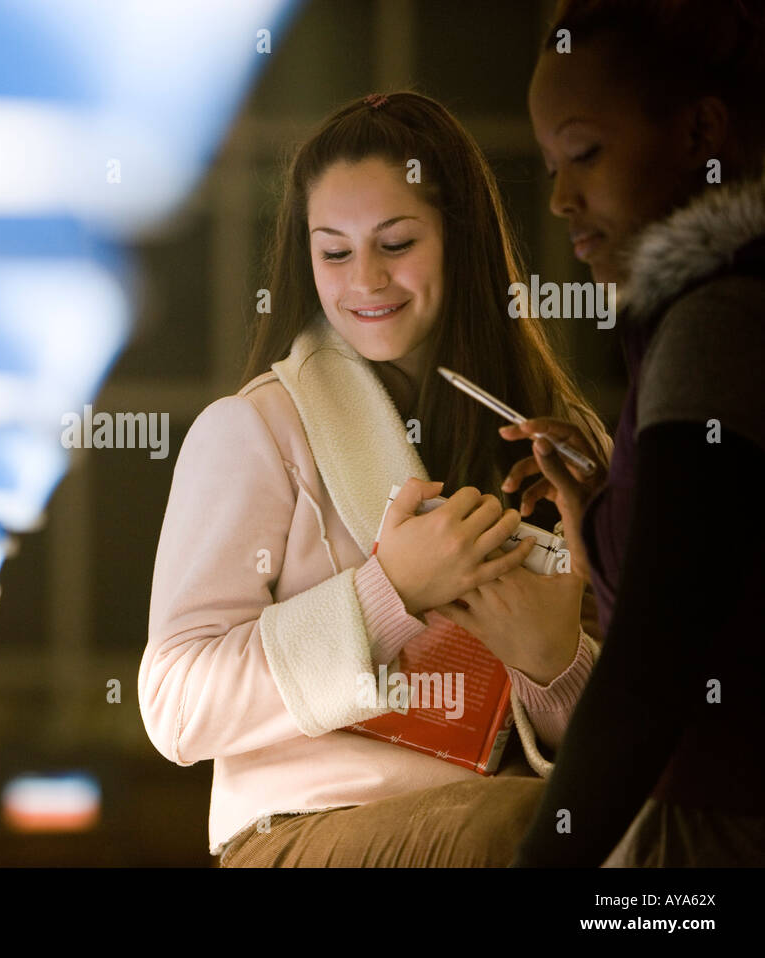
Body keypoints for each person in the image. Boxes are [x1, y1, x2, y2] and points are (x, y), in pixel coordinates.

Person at [138, 91, 612, 867]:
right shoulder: (258, 430)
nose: (365, 280)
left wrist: (554, 664)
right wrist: (388, 595)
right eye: (334, 251)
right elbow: (175, 706)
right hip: (299, 831)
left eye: (396, 243)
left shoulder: (563, 447)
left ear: (460, 241)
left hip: (506, 815)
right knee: (526, 827)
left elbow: (632, 731)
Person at [508, 0, 765, 866]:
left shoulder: (718, 320)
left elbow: (654, 667)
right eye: (550, 164)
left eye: (584, 153)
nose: (558, 197)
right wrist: (607, 526)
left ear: (701, 131)